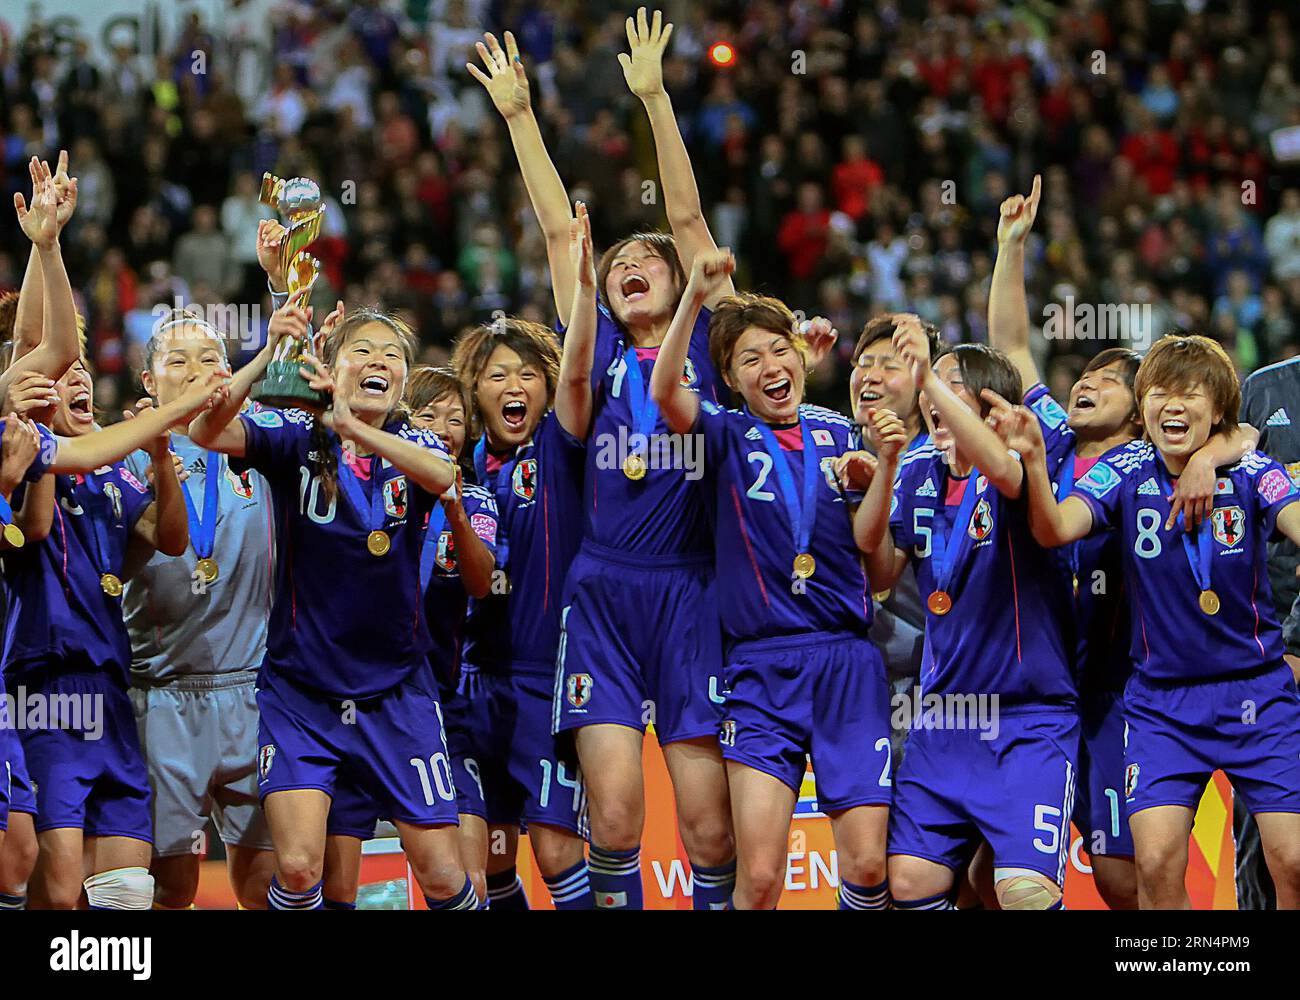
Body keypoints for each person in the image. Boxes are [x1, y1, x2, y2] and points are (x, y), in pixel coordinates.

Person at [987, 176, 1257, 909]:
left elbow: (1242, 429)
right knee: (989, 873)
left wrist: (1208, 454)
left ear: (1140, 415)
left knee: (1121, 878)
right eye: (1084, 374)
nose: (1085, 384)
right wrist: (1011, 249)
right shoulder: (1044, 435)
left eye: (1108, 381)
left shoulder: (1145, 466)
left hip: (1115, 690)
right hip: (1028, 690)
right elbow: (1011, 344)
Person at [188, 299, 478, 911]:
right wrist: (269, 352)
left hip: (397, 691)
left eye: (392, 355)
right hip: (302, 694)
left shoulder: (411, 438)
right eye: (362, 351)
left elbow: (444, 474)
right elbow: (204, 430)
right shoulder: (297, 437)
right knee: (297, 868)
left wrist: (357, 429)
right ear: (332, 366)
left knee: (446, 877)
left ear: (401, 380)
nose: (379, 361)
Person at [1013, 333, 1300, 909]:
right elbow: (1055, 530)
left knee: (1292, 858)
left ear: (1218, 408)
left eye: (1191, 393)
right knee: (1159, 861)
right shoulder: (1120, 469)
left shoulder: (1253, 467)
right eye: (1160, 392)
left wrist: (1216, 455)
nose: (1173, 404)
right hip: (1161, 704)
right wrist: (1037, 465)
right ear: (1143, 407)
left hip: (1259, 693)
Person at [650, 250, 892, 910]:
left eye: (778, 351)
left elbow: (882, 564)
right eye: (748, 360)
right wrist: (693, 301)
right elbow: (666, 391)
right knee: (757, 880)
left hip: (847, 663)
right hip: (761, 671)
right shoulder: (724, 435)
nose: (769, 368)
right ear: (730, 379)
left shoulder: (845, 434)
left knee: (870, 866)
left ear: (802, 356)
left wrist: (882, 477)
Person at [857, 320, 1078, 911]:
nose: (932, 397)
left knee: (1024, 894)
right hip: (945, 719)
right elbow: (880, 573)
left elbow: (1004, 472)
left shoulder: (1020, 466)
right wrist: (883, 467)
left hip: (1028, 721)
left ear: (985, 403)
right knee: (907, 884)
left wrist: (927, 372)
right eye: (932, 388)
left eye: (950, 386)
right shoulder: (917, 474)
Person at [443, 207, 598, 910]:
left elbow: (578, 365)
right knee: (490, 856)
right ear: (473, 391)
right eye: (496, 376)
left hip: (549, 674)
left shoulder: (561, 448)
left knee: (558, 846)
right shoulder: (453, 464)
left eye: (528, 374)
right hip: (468, 679)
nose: (514, 387)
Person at [321, 365, 498, 909]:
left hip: (441, 703)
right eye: (430, 415)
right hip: (349, 696)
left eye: (458, 418)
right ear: (404, 422)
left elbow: (480, 582)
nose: (446, 428)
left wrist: (455, 511)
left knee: (462, 875)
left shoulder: (478, 501)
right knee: (336, 883)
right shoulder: (353, 492)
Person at [120, 311, 277, 910]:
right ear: (147, 381)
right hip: (162, 699)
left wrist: (282, 291)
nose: (193, 372)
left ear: (229, 375)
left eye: (209, 359)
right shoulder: (126, 458)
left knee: (265, 884)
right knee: (174, 889)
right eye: (176, 361)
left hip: (254, 694)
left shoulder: (259, 450)